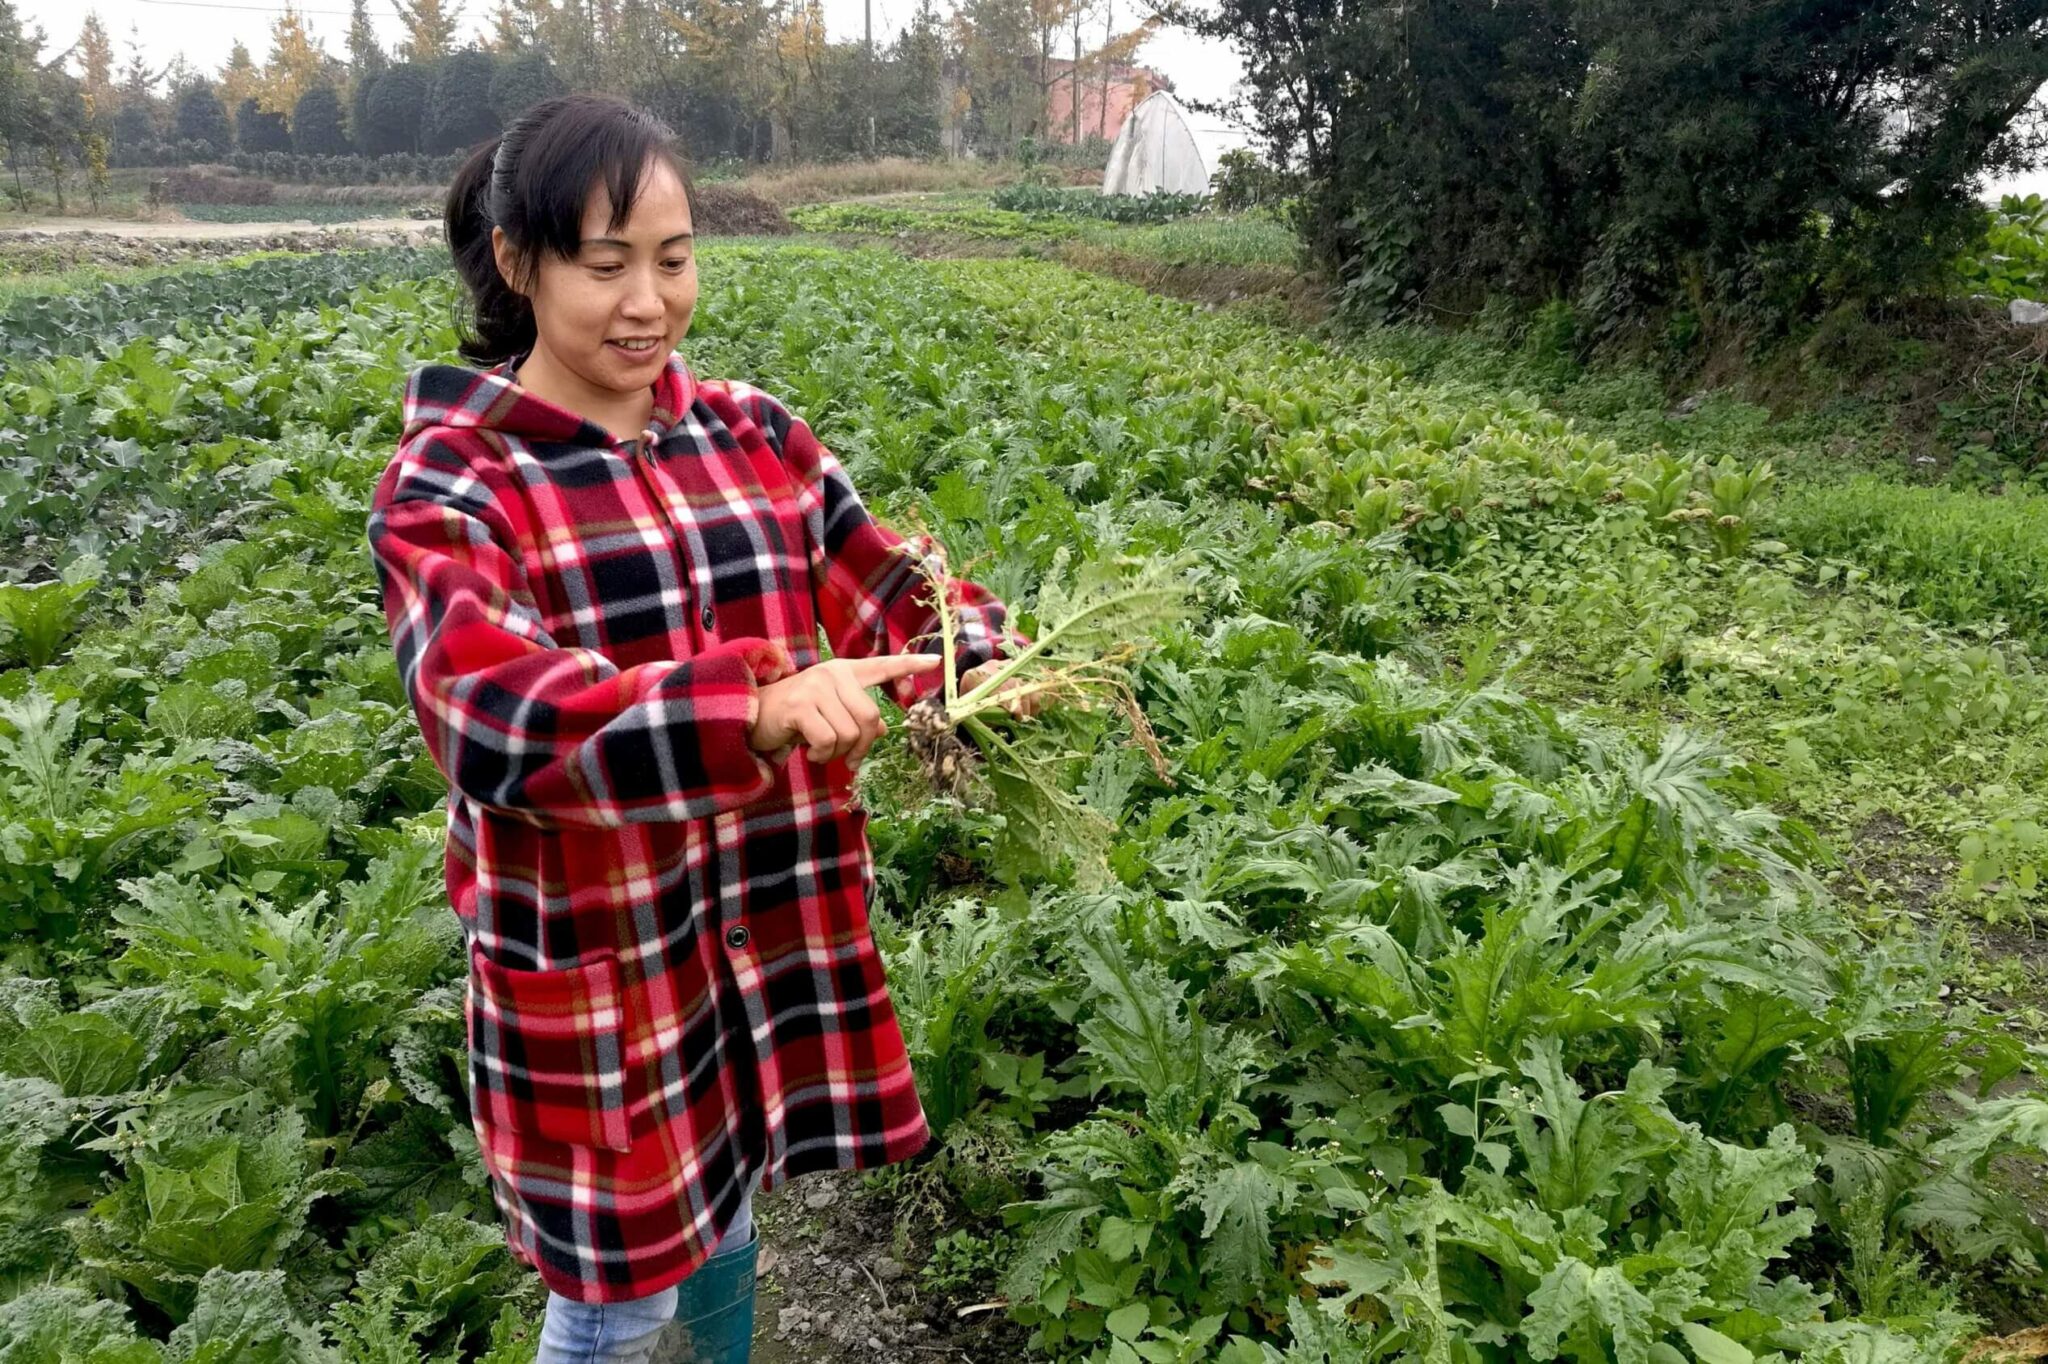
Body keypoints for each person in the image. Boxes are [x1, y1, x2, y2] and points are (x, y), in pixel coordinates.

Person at [364, 92, 1035, 1364]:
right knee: (616, 1304)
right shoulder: (457, 479)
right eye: (603, 265)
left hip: (759, 924)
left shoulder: (751, 433)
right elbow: (490, 718)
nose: (646, 302)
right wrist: (751, 708)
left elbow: (892, 584)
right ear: (517, 261)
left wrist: (982, 656)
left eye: (671, 260)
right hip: (608, 972)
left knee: (726, 1212)